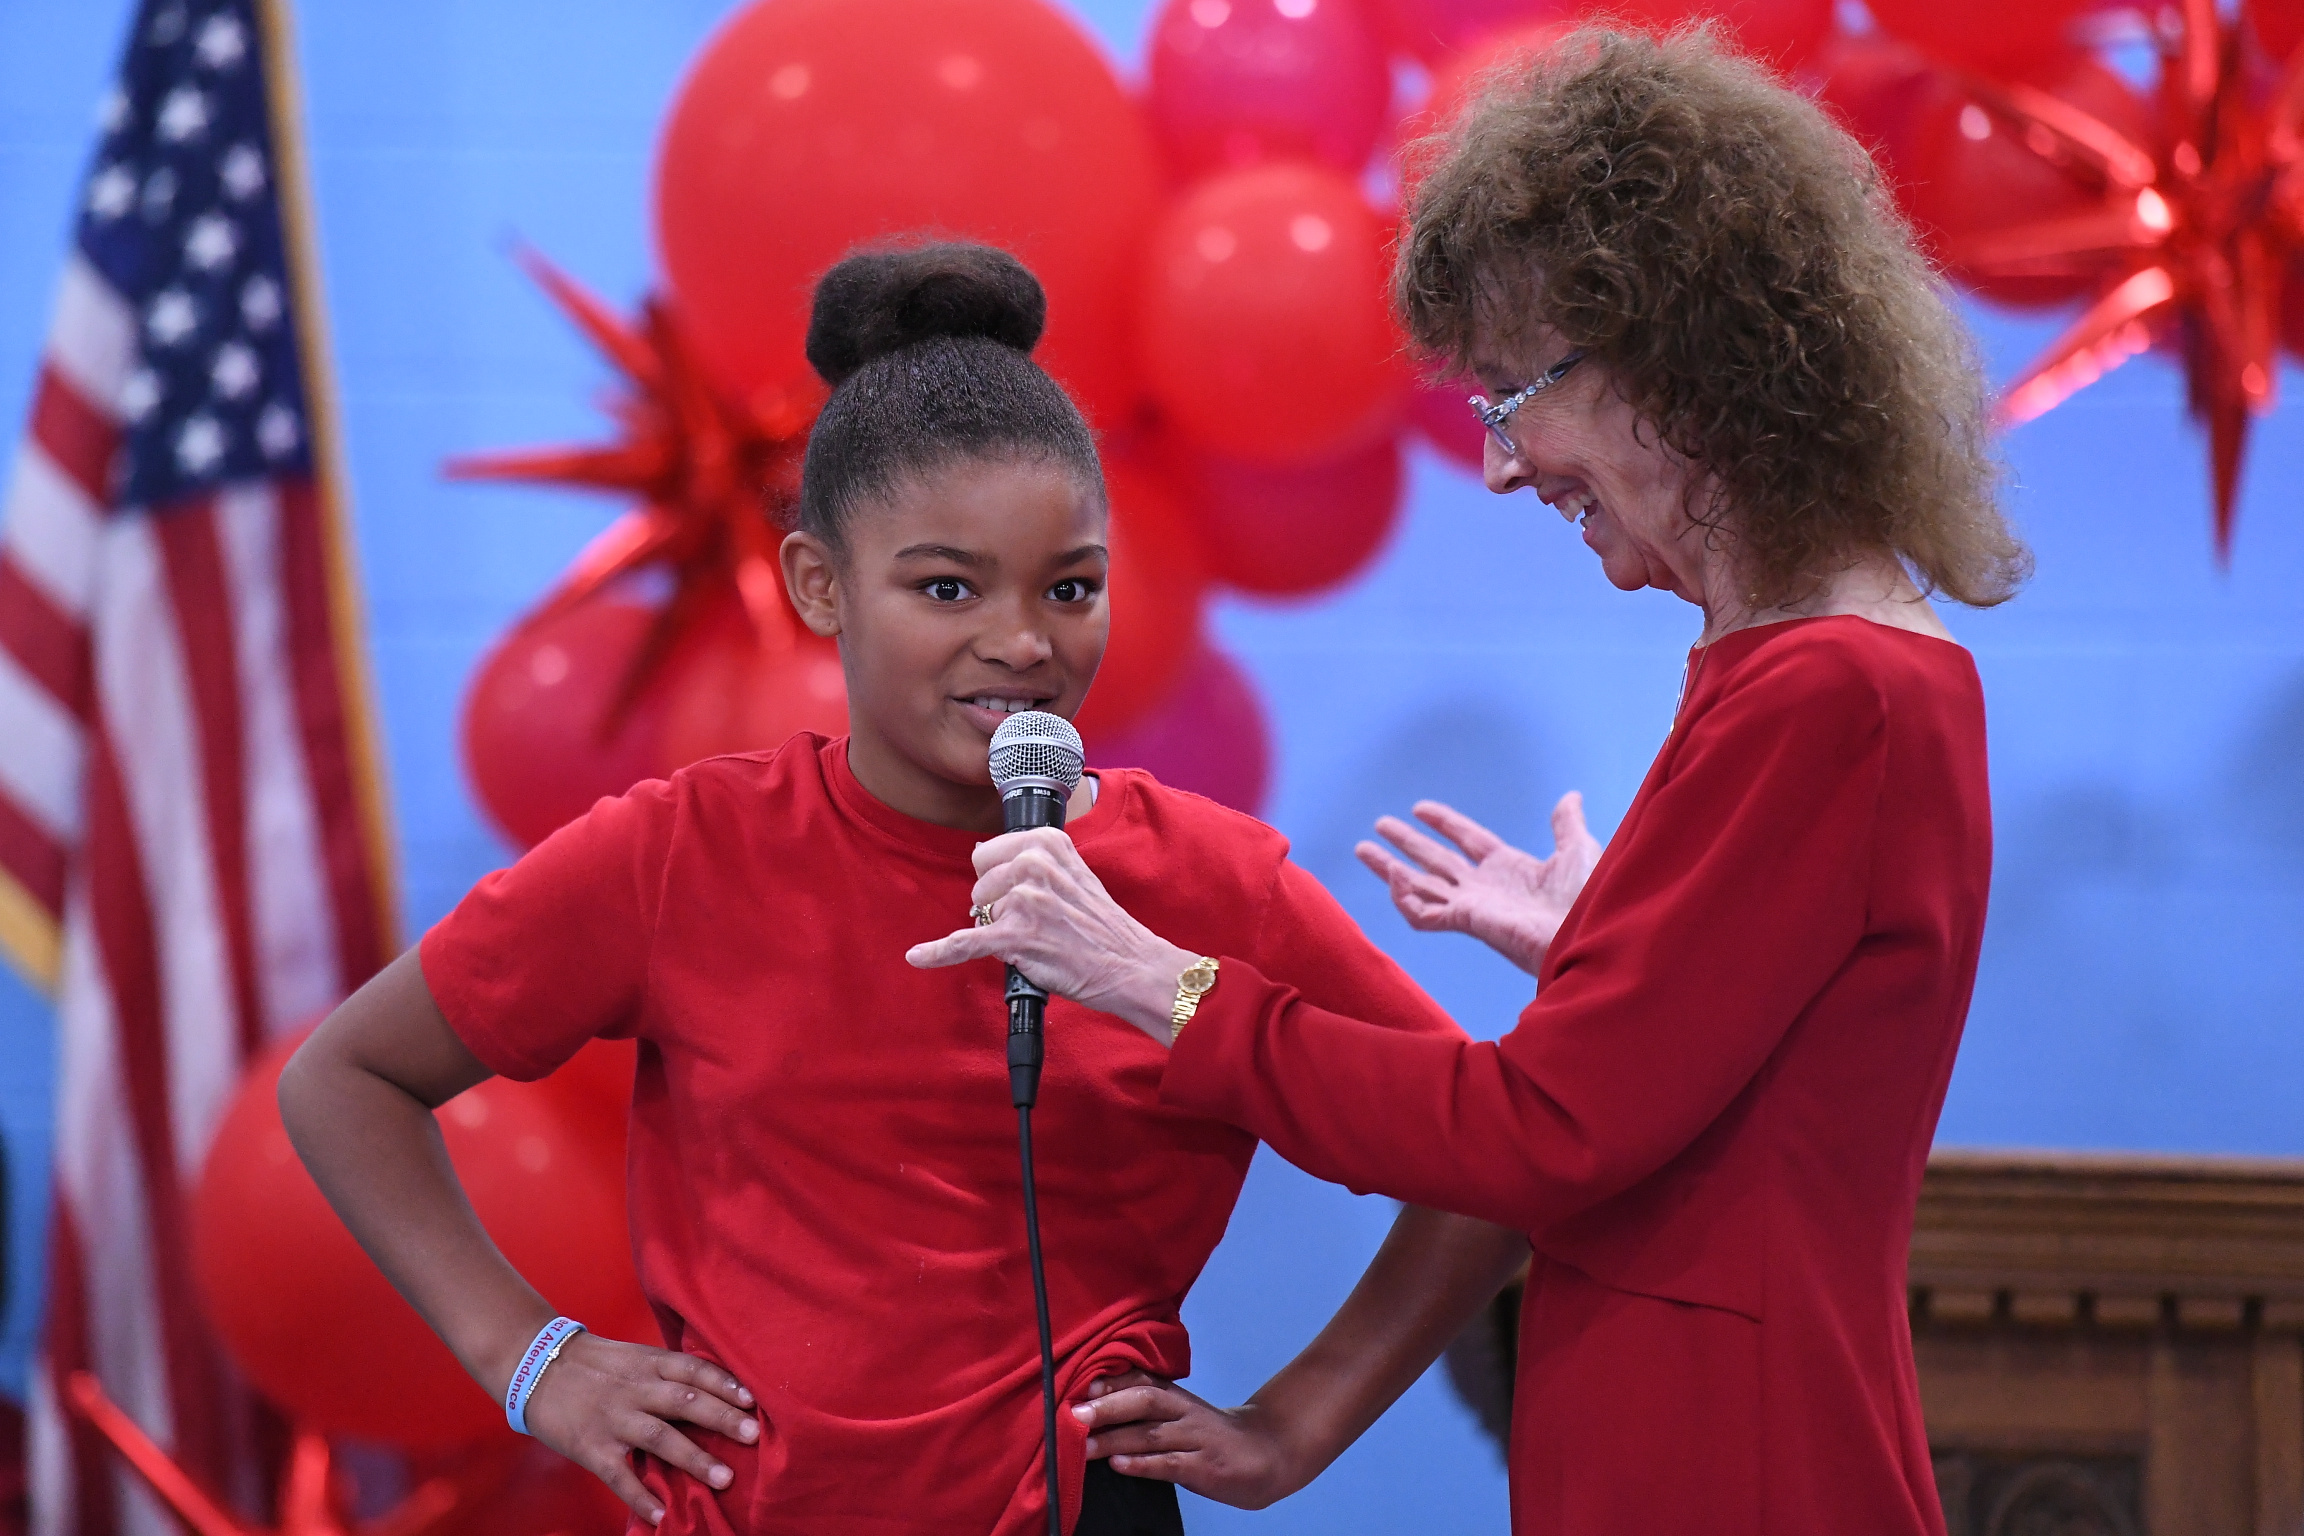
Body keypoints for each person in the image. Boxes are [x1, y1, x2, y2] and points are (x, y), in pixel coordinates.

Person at [908, 28, 2031, 1535]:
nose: (1500, 466)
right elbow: (1723, 1095)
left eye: (1514, 397)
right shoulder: (1816, 670)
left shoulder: (1833, 690)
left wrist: (1154, 981)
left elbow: (1536, 1133)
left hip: (1732, 1467)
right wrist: (1605, 950)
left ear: (1680, 352)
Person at [278, 241, 1529, 1536]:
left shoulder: (1213, 883)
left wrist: (1298, 1423)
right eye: (947, 587)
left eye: (1072, 587)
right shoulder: (683, 854)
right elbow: (345, 1079)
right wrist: (529, 1359)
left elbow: (1484, 1149)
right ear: (821, 587)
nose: (1023, 640)